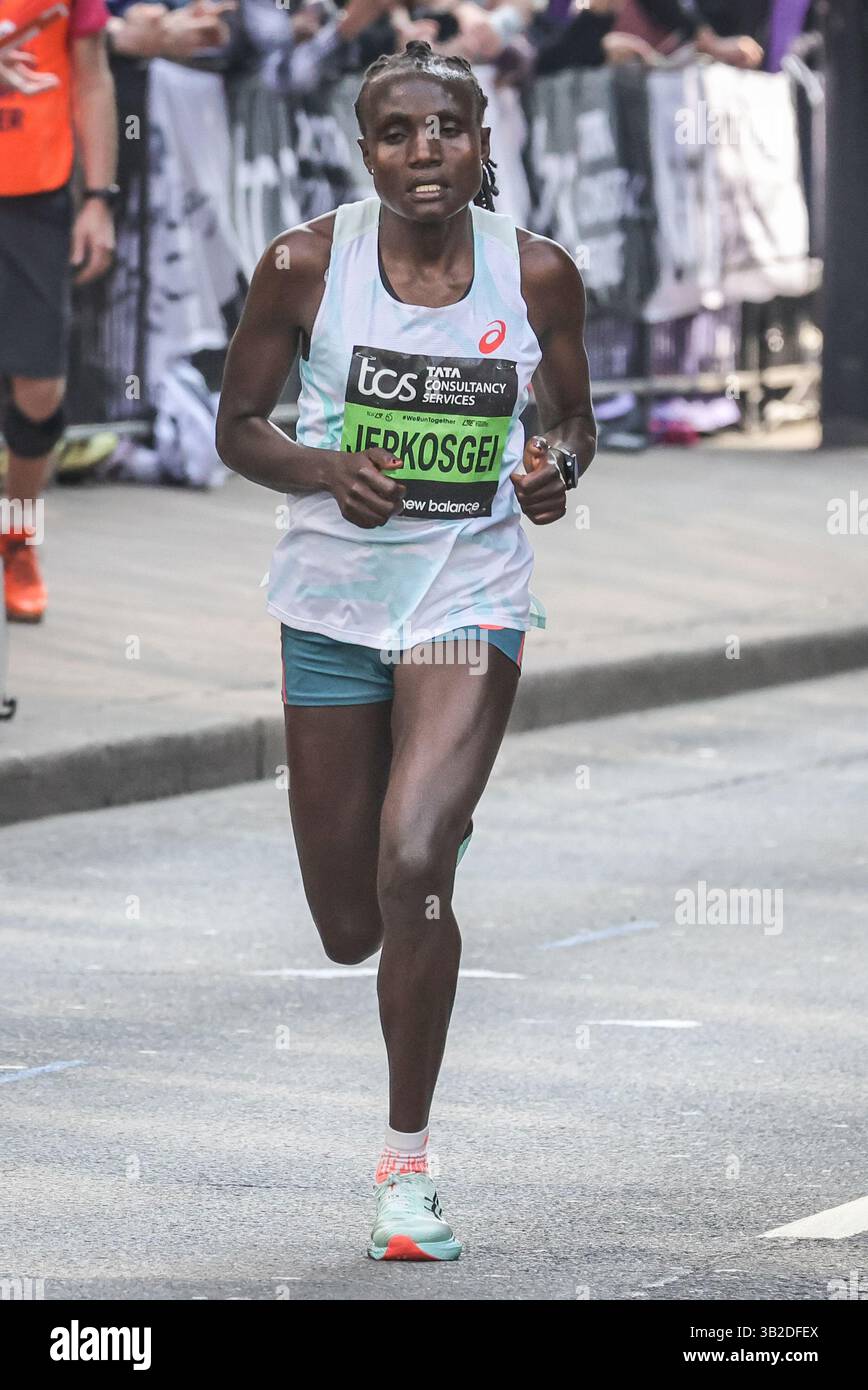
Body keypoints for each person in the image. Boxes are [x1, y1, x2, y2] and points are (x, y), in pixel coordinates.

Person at [216, 38, 595, 1261]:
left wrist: (555, 473)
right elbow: (238, 427)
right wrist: (325, 468)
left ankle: (405, 1173)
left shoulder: (534, 275)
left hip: (466, 601)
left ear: (485, 143)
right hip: (330, 608)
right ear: (364, 149)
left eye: (446, 130)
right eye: (396, 133)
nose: (423, 153)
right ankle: (408, 835)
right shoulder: (303, 266)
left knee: (416, 859)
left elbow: (573, 422)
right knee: (346, 922)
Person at [0, 0, 117, 622]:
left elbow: (93, 75)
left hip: (35, 193)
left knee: (40, 389)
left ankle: (16, 540)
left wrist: (99, 198)